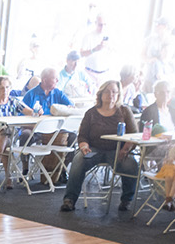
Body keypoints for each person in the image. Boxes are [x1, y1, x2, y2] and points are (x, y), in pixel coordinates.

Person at [59, 80, 141, 215]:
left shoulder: (124, 111)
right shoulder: (91, 113)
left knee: (131, 164)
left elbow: (133, 135)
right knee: (78, 159)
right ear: (101, 94)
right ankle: (69, 199)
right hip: (94, 149)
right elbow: (83, 135)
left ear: (119, 94)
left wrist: (125, 149)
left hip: (117, 151)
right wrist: (84, 146)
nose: (111, 95)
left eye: (114, 92)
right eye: (107, 91)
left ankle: (127, 199)